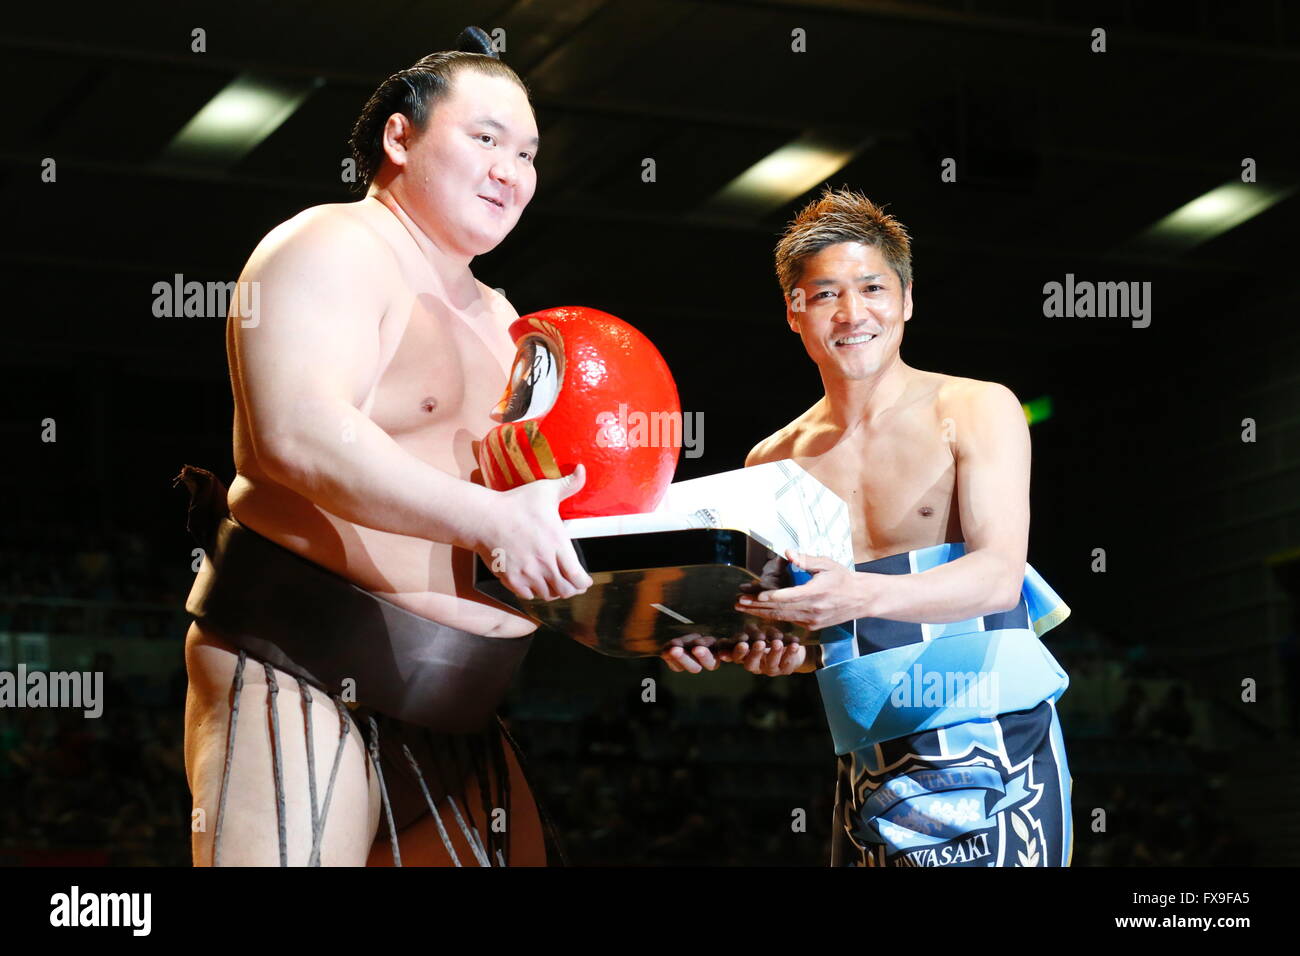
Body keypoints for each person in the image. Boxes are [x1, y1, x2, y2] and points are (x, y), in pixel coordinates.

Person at [178, 27, 592, 867]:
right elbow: (294, 436)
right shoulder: (332, 245)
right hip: (301, 668)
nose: (512, 171)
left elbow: (537, 524)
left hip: (461, 707)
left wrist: (664, 617)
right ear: (399, 136)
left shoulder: (511, 320)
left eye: (529, 153)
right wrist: (493, 520)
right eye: (485, 139)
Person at [662, 187, 1072, 867]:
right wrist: (757, 647)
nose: (852, 313)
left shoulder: (974, 406)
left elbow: (999, 576)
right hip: (868, 758)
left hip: (995, 736)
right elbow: (814, 639)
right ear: (795, 313)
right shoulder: (774, 459)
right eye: (824, 295)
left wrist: (857, 595)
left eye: (872, 288)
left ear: (907, 299)